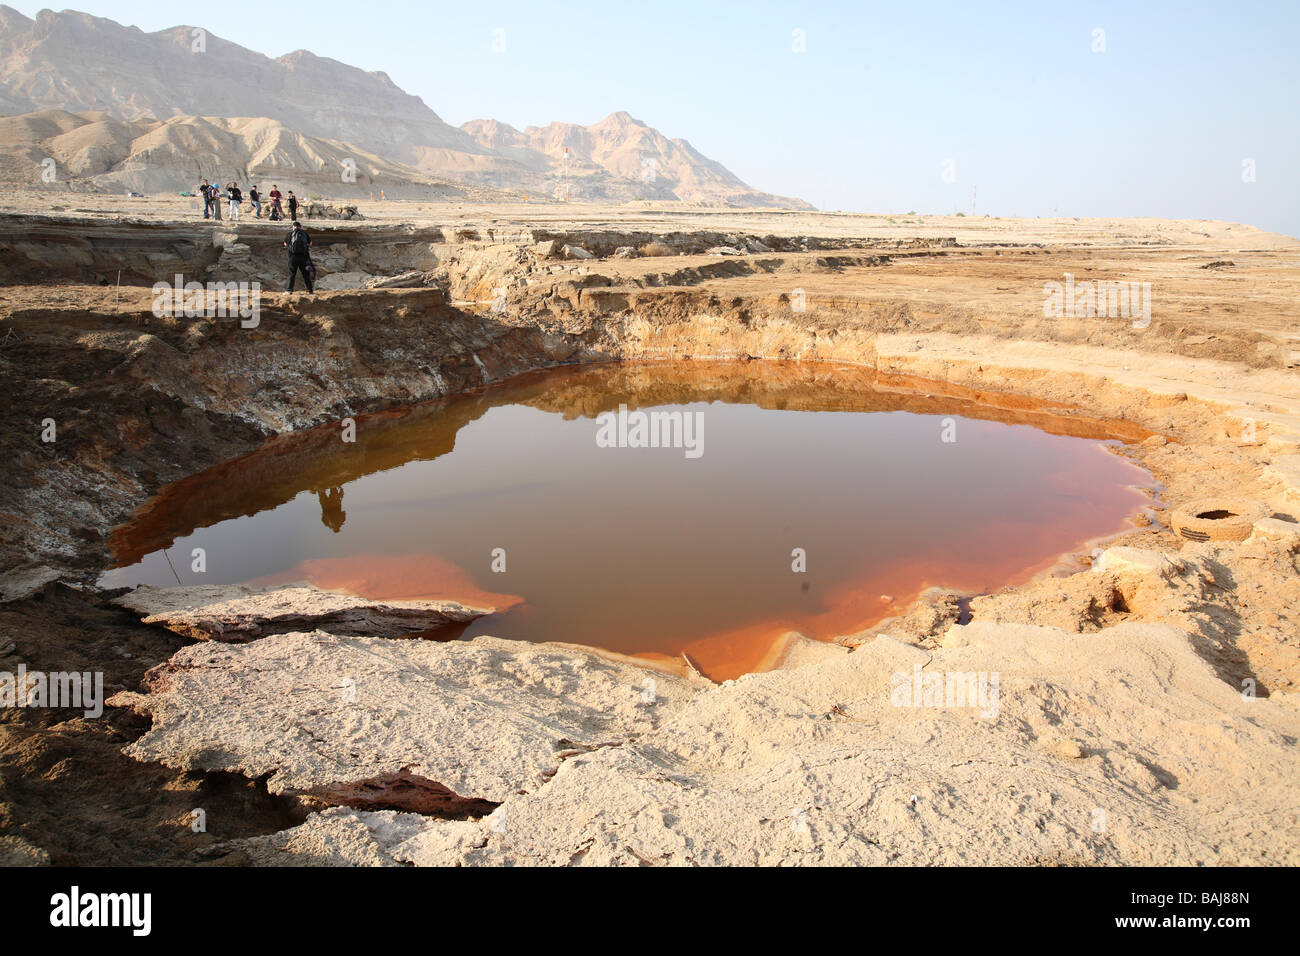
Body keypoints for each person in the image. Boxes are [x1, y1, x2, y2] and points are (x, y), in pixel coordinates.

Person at [284, 219, 314, 293]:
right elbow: (310, 244)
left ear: (293, 227)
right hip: (304, 257)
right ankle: (310, 290)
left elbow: (285, 244)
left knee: (292, 274)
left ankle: (289, 290)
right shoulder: (305, 234)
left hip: (293, 257)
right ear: (300, 227)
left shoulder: (290, 234)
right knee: (306, 274)